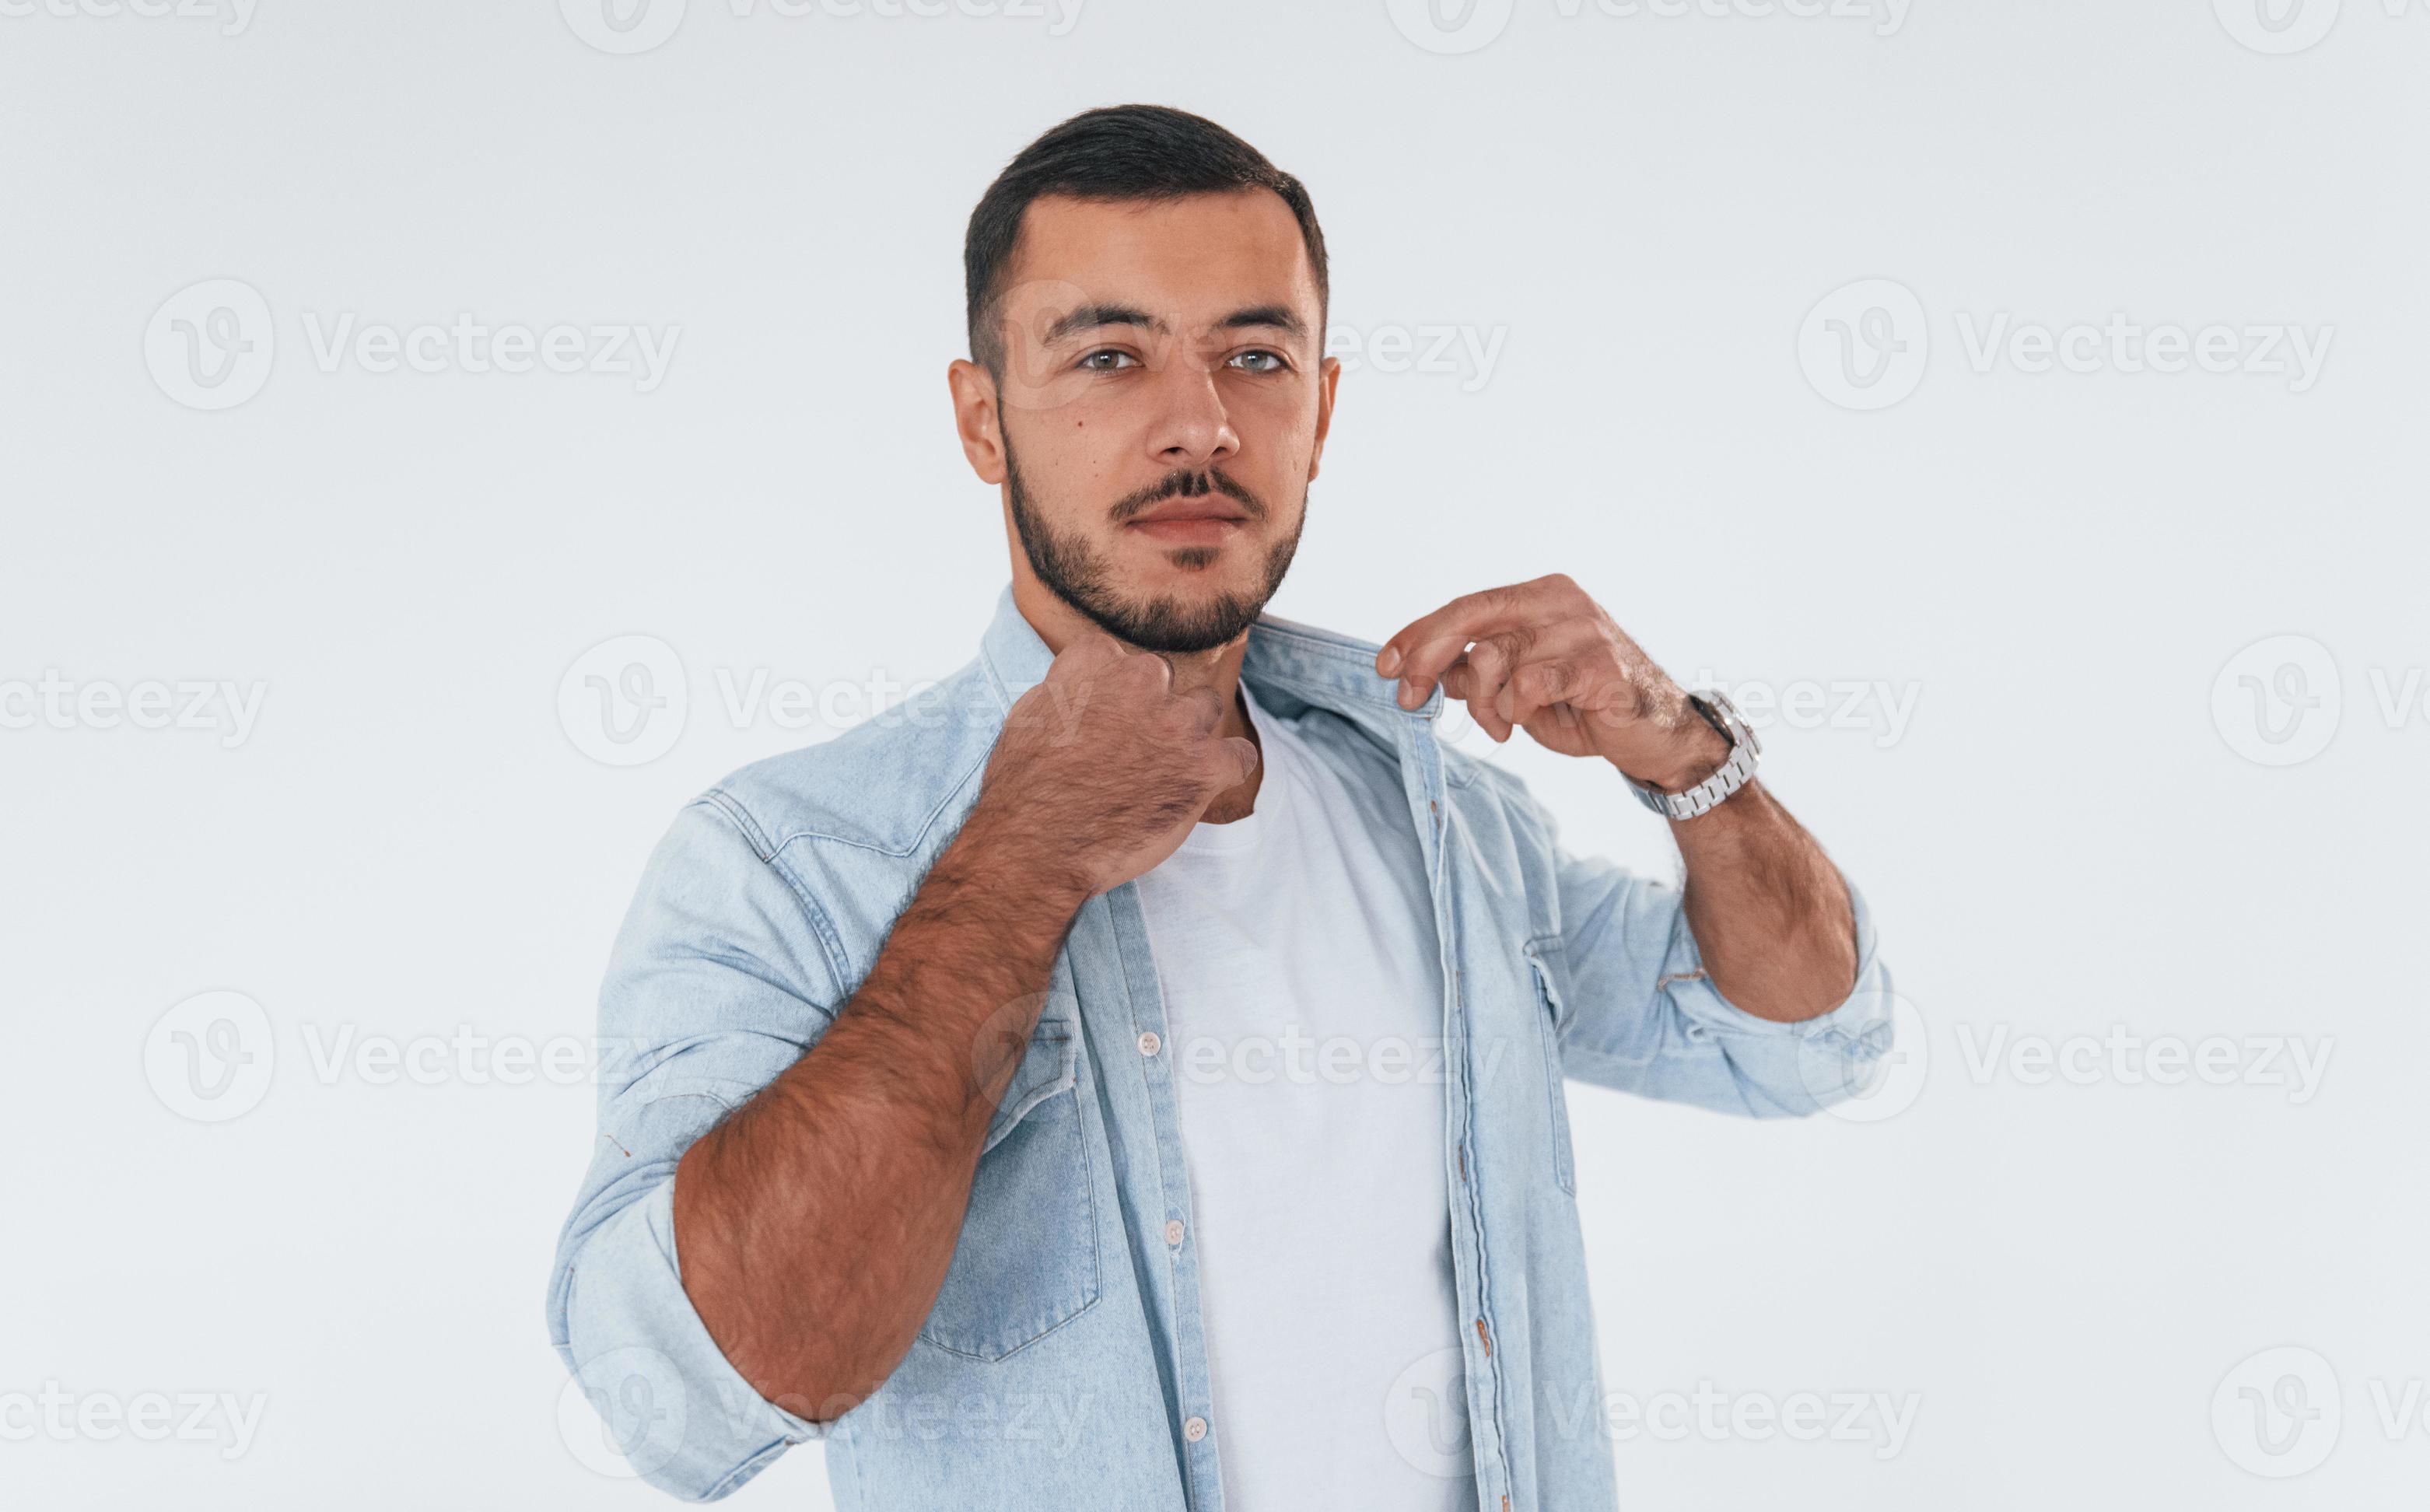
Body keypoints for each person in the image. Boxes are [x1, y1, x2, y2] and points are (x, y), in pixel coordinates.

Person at [547, 103, 1896, 1511]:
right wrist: (1020, 857)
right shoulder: (790, 860)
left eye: (1256, 358)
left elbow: (1799, 1045)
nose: (1199, 424)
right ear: (982, 419)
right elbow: (679, 1401)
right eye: (1108, 357)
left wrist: (1683, 755)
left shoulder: (1440, 815)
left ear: (1323, 412)